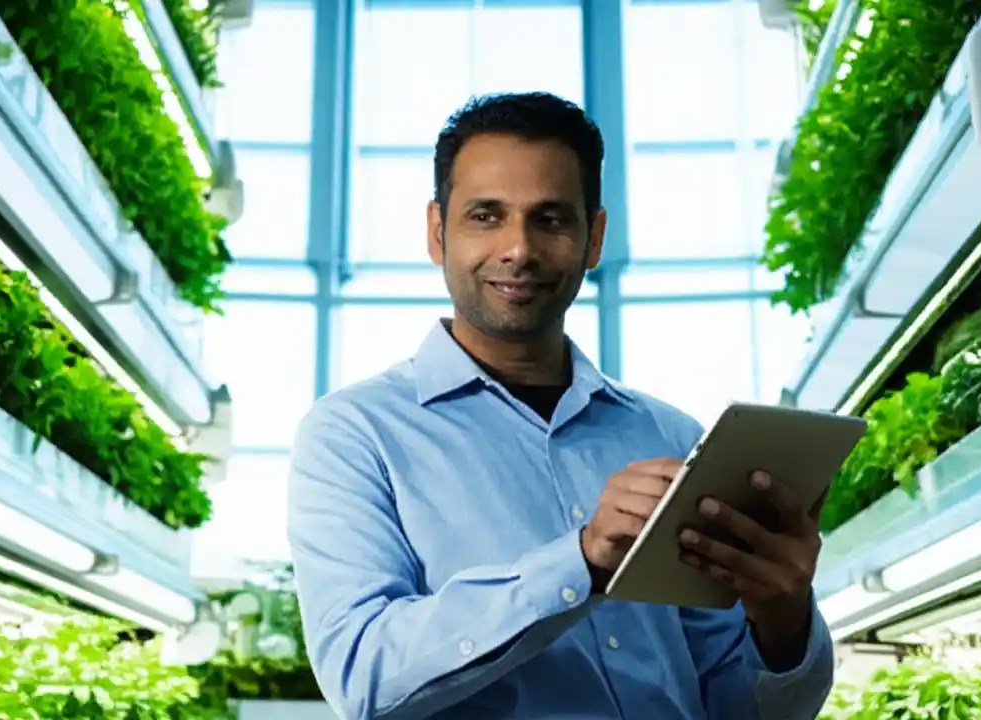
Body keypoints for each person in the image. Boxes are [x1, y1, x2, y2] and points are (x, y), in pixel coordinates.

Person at [287, 91, 835, 719]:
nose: (519, 249)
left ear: (593, 237)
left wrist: (783, 623)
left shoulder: (675, 439)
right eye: (486, 216)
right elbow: (363, 675)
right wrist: (580, 561)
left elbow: (738, 709)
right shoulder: (354, 435)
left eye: (550, 219)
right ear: (438, 233)